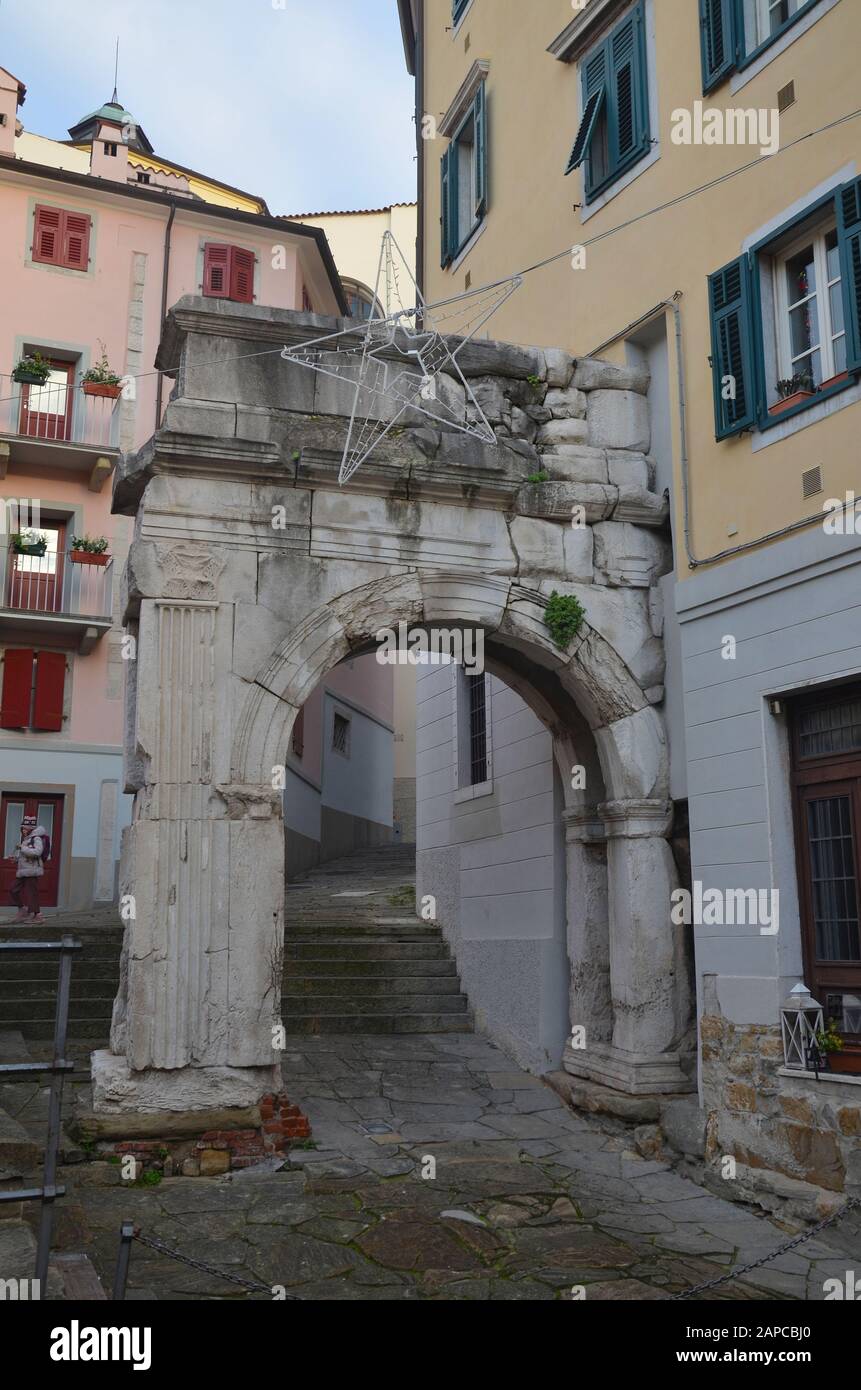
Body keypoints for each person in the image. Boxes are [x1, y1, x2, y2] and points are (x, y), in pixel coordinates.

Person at [8, 815, 47, 922]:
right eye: (22, 828)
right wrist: (16, 859)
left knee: (32, 893)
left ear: (31, 829)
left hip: (32, 871)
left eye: (25, 829)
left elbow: (37, 852)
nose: (23, 831)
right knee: (13, 889)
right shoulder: (26, 839)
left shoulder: (36, 838)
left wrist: (22, 847)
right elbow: (25, 856)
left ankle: (37, 916)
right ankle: (23, 910)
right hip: (23, 871)